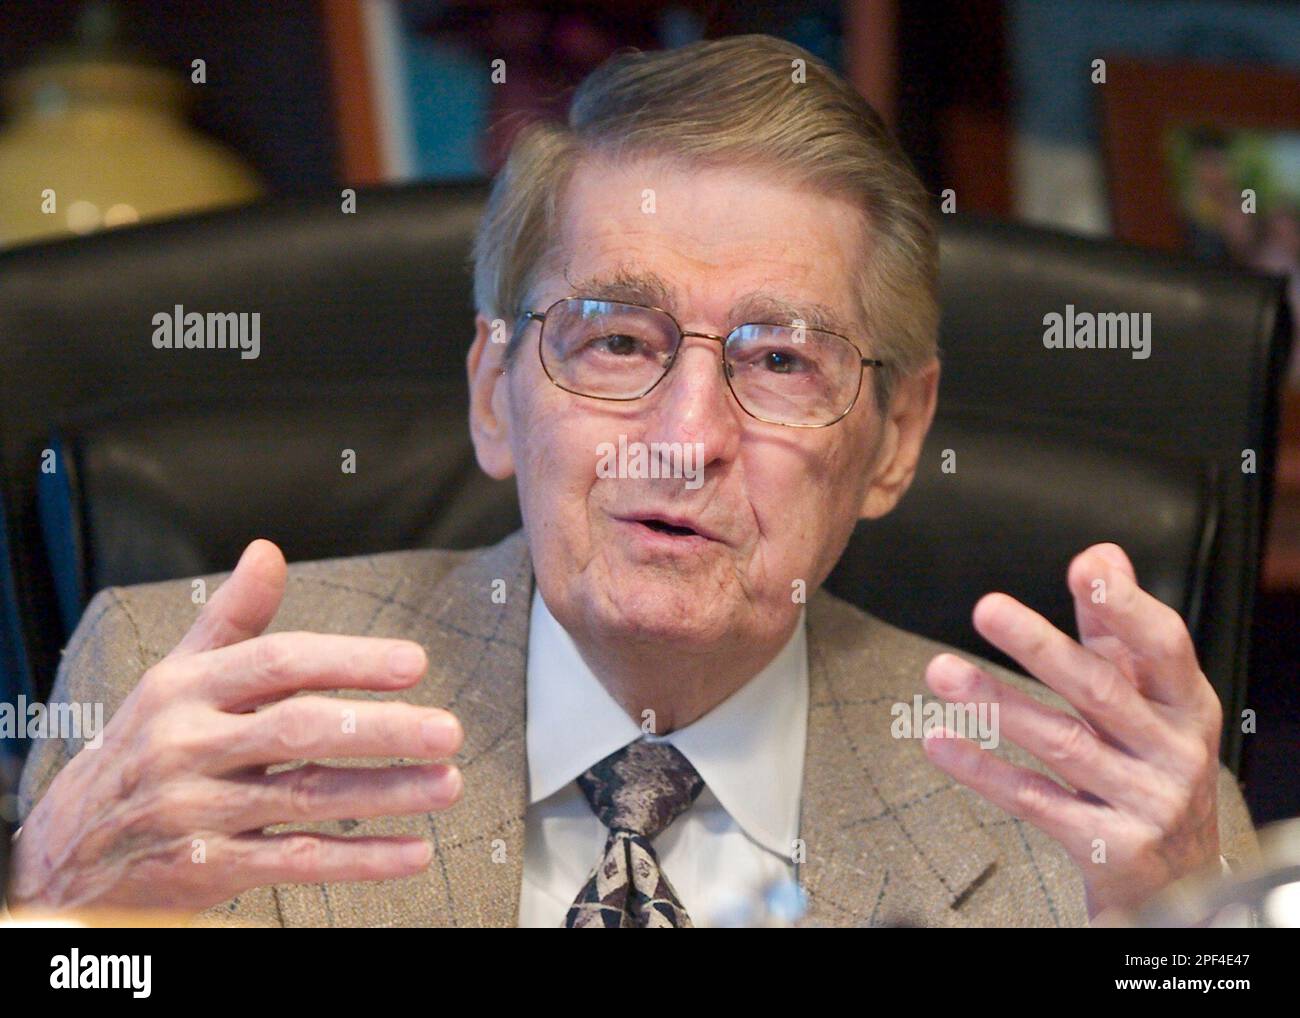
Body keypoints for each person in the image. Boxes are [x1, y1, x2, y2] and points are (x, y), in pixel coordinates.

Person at [9, 34, 1255, 928]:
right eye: (616, 340)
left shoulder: (1108, 827)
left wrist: (1173, 943)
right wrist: (56, 918)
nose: (683, 435)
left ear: (892, 433)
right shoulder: (173, 698)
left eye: (778, 358)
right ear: (496, 392)